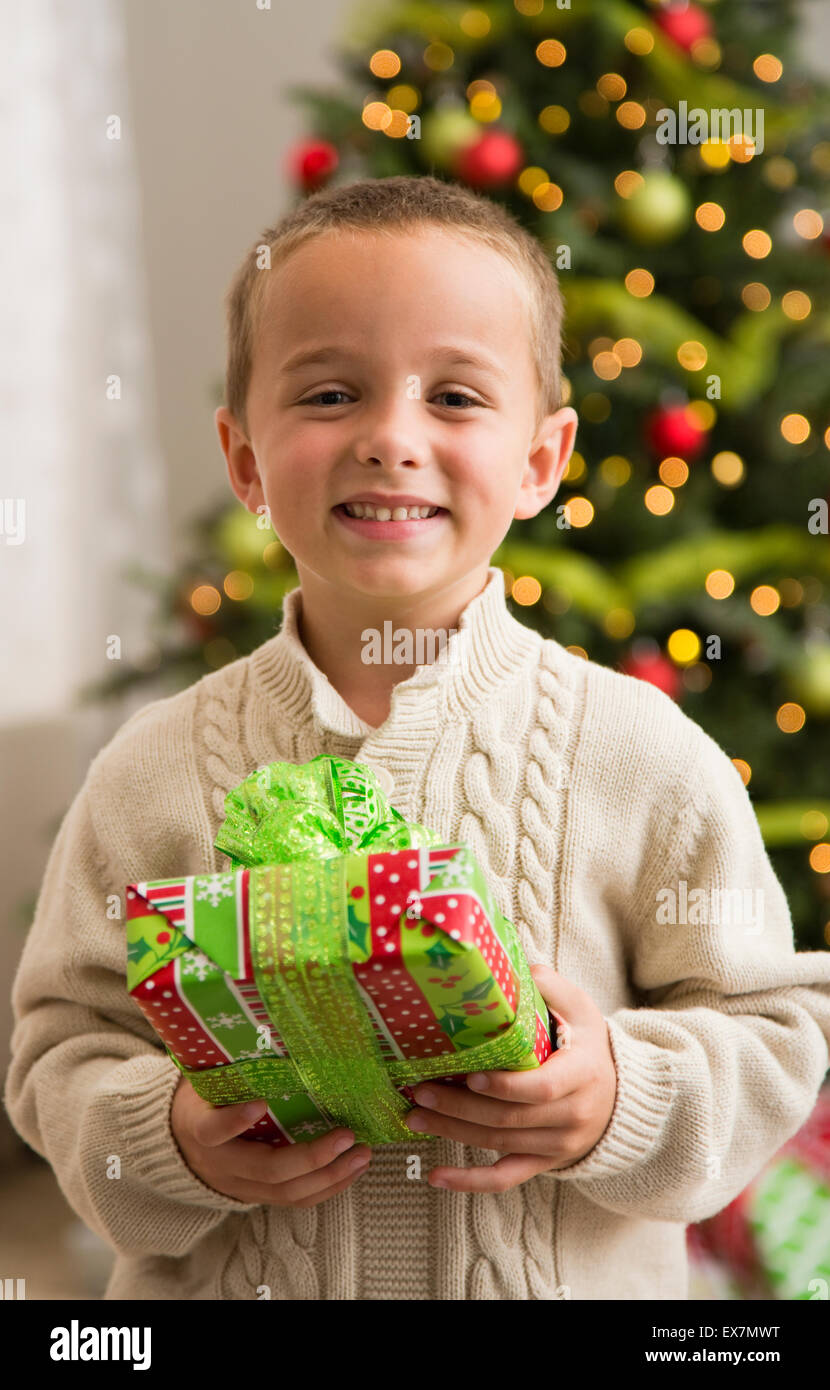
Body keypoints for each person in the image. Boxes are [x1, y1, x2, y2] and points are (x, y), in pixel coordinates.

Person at [6, 175, 830, 1301]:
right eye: (331, 393)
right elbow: (62, 1045)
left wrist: (619, 1094)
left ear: (540, 461)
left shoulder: (644, 753)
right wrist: (169, 1137)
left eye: (452, 398)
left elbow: (772, 1025)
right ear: (244, 460)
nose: (391, 439)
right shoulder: (147, 774)